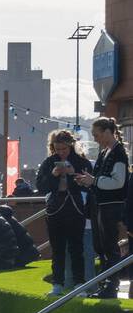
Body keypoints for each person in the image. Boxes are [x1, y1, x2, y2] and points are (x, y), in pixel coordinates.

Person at [36, 129, 93, 296]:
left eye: (64, 149)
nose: (61, 153)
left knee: (77, 247)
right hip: (55, 209)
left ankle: (79, 283)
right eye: (57, 149)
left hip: (75, 208)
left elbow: (89, 185)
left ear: (71, 146)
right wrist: (54, 175)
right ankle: (58, 283)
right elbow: (41, 186)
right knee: (58, 248)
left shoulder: (81, 162)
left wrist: (72, 173)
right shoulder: (49, 162)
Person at [84, 117, 128, 298]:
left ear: (107, 132)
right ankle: (106, 283)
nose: (95, 139)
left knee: (109, 246)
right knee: (101, 246)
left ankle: (112, 285)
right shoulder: (105, 153)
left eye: (97, 135)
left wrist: (93, 181)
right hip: (101, 204)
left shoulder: (118, 153)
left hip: (111, 205)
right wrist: (89, 181)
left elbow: (119, 182)